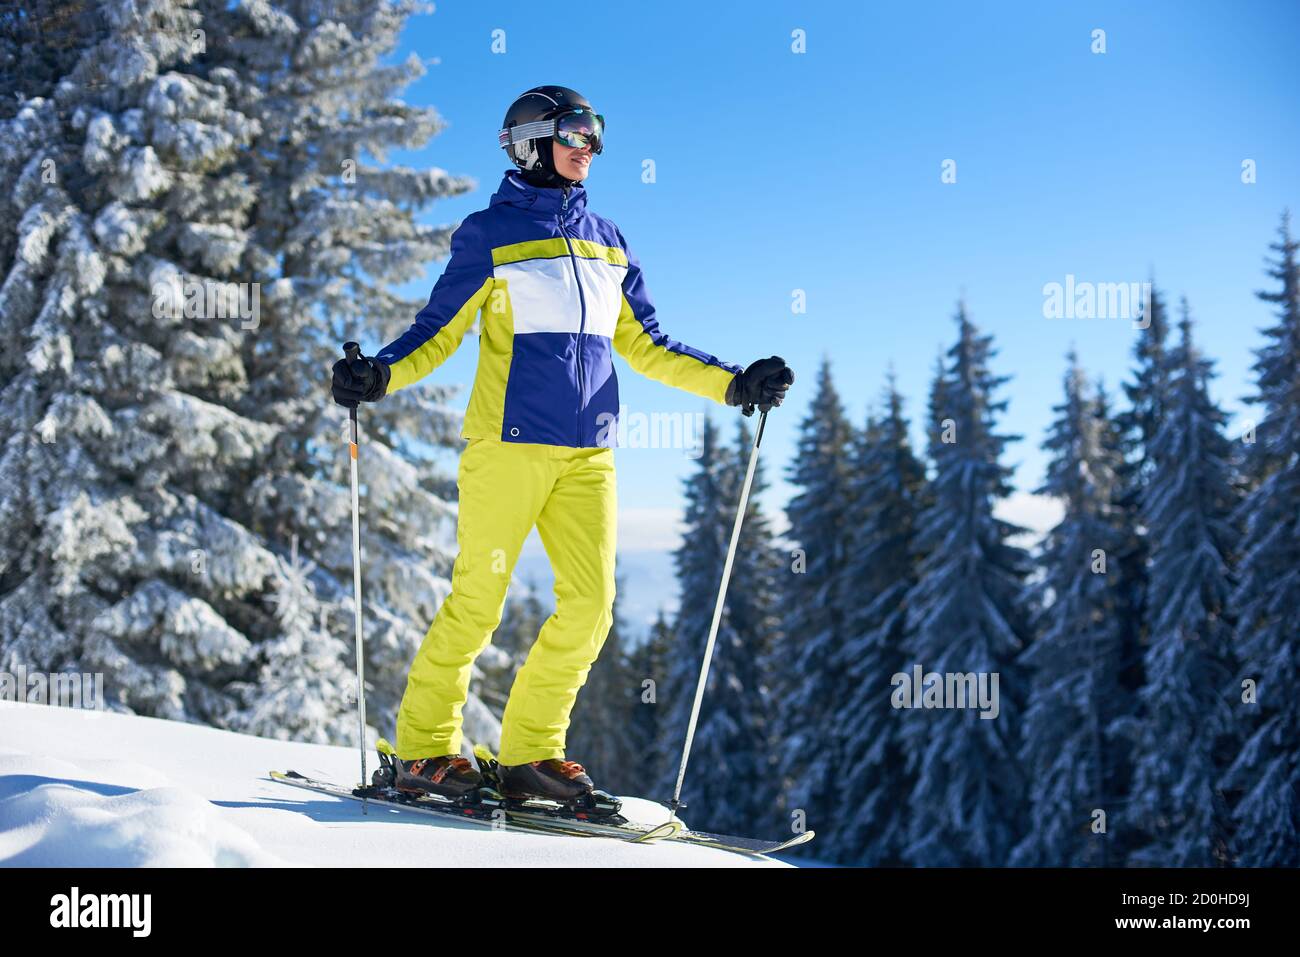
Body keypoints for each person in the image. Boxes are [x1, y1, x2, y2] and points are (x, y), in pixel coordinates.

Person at [332, 85, 794, 804]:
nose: (589, 147)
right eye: (575, 132)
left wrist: (734, 383)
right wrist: (380, 372)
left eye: (595, 135)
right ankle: (424, 748)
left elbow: (647, 343)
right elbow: (438, 329)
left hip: (590, 454)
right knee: (478, 602)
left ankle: (529, 755)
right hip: (507, 446)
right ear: (529, 141)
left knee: (591, 605)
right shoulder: (489, 235)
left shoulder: (609, 240)